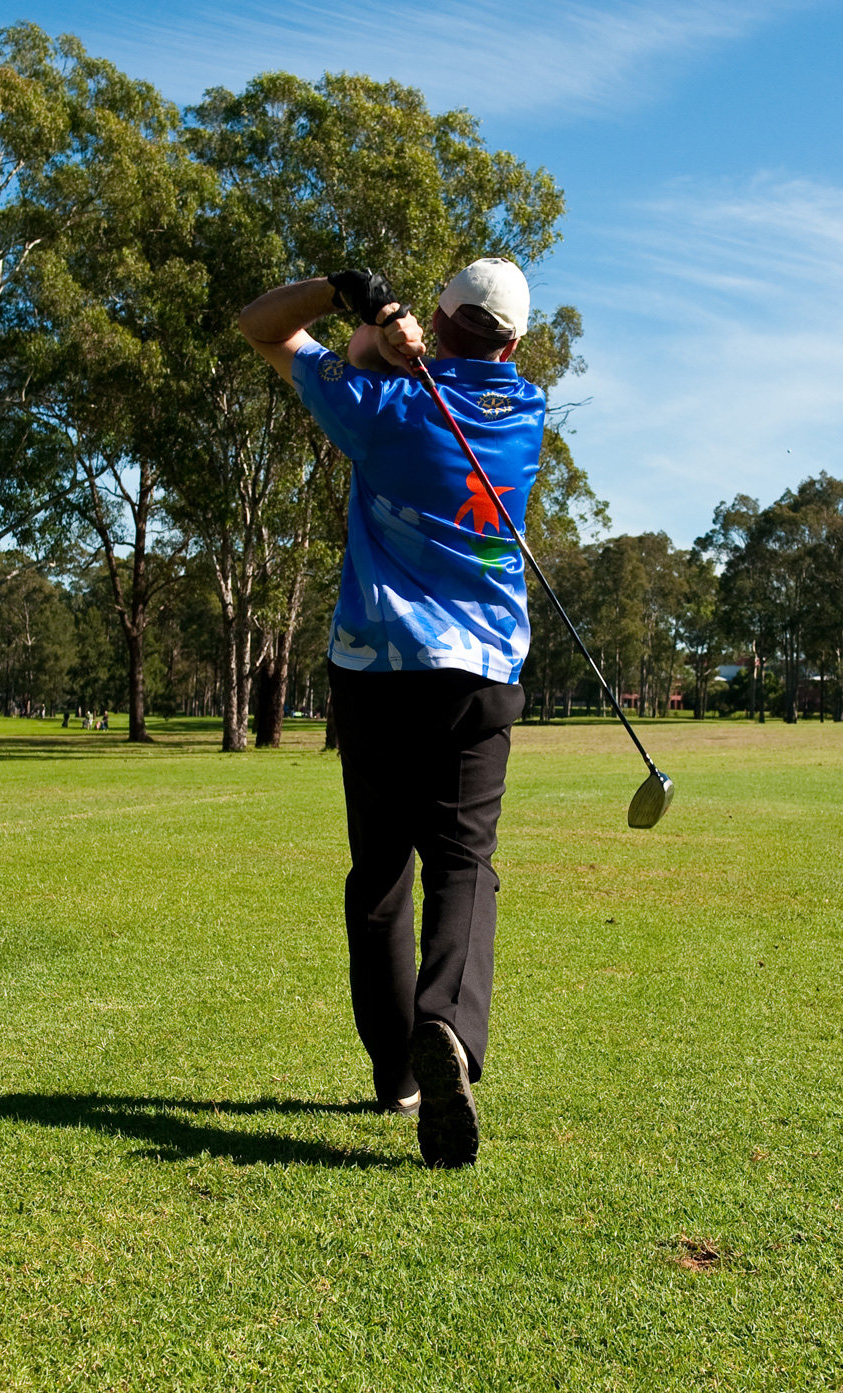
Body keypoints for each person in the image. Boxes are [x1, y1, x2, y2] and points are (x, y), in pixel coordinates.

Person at [240, 259, 545, 1169]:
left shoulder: (384, 408)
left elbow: (262, 328)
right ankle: (446, 1022)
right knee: (463, 863)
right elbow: (439, 364)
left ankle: (398, 1073)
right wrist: (393, 340)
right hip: (480, 675)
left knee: (380, 873)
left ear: (438, 321)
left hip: (376, 671)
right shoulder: (526, 414)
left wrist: (352, 296)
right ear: (514, 345)